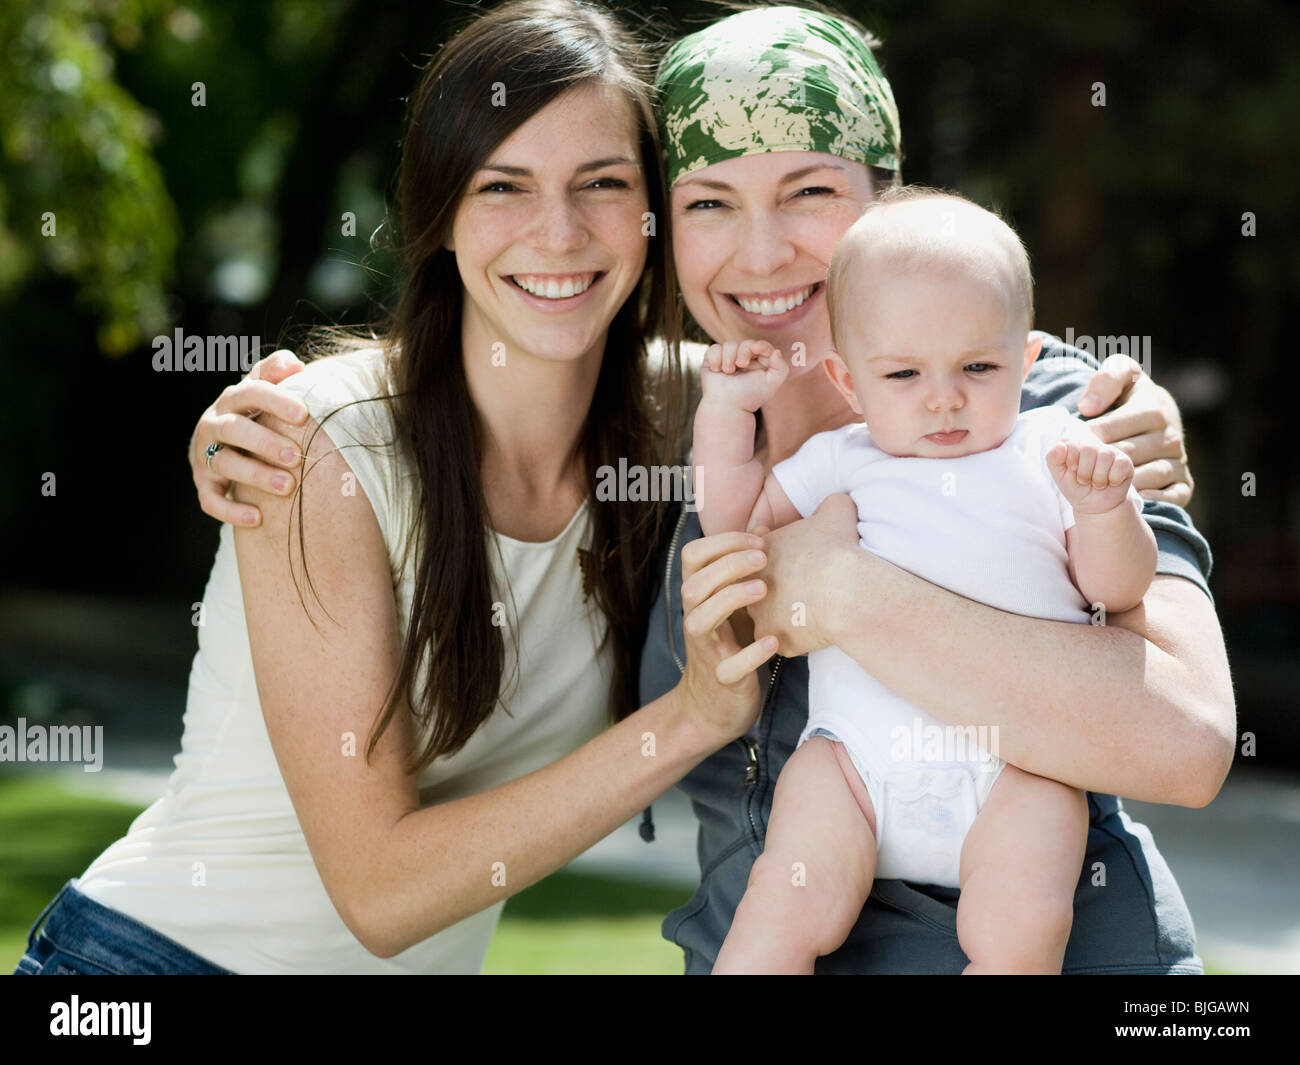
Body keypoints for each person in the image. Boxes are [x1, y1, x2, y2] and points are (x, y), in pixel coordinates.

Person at [183, 5, 1234, 974]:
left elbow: (1185, 745)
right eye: (709, 203)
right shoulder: (679, 421)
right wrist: (307, 404)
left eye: (812, 192)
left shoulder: (1043, 408)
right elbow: (501, 364)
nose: (762, 251)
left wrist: (847, 591)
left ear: (889, 202)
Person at [14, 0, 777, 975]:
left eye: (602, 182)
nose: (558, 231)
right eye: (504, 185)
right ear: (440, 212)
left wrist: (1018, 362)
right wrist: (690, 721)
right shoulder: (326, 443)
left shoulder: (692, 414)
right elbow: (380, 895)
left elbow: (903, 359)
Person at [695, 187, 1159, 974]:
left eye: (978, 366)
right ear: (848, 380)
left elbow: (1117, 589)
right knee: (782, 901)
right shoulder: (843, 460)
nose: (944, 396)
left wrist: (1108, 510)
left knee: (1024, 923)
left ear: (1027, 359)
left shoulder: (1054, 448)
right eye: (903, 372)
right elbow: (734, 524)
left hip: (1021, 762)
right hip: (854, 764)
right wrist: (726, 411)